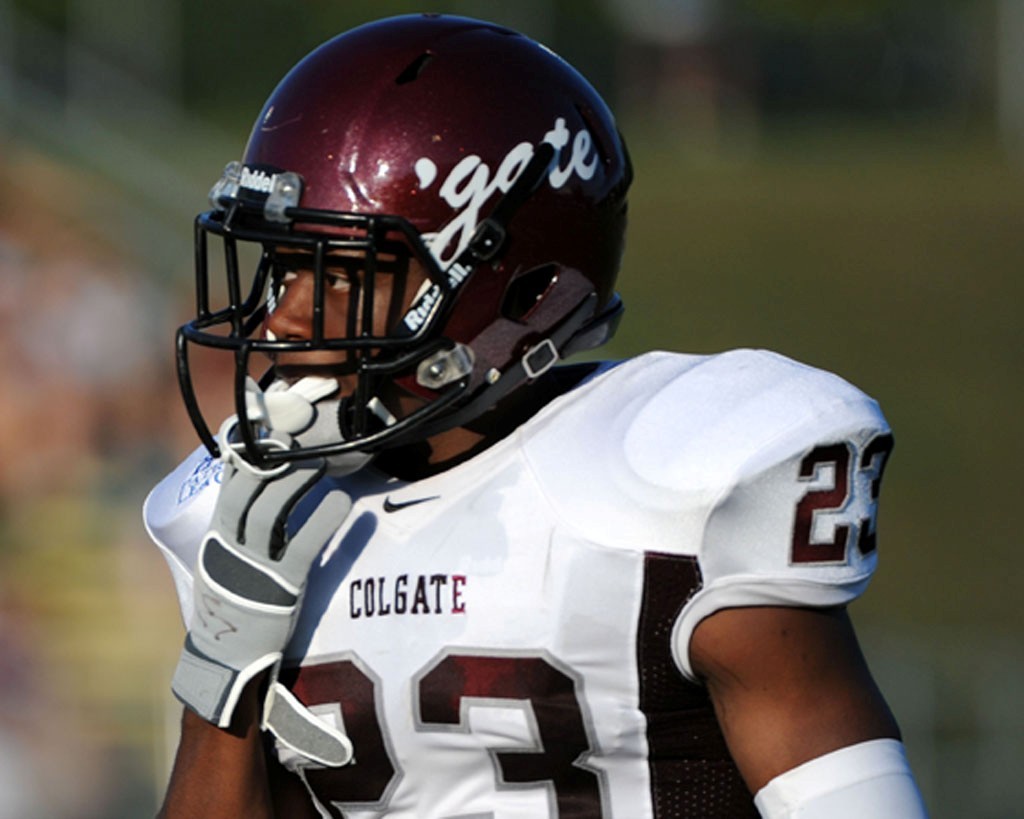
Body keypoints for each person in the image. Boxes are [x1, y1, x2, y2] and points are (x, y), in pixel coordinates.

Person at [144, 13, 929, 818]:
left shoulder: (668, 479)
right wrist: (222, 665)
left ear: (513, 286)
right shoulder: (252, 516)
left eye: (342, 274)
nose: (282, 319)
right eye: (282, 268)